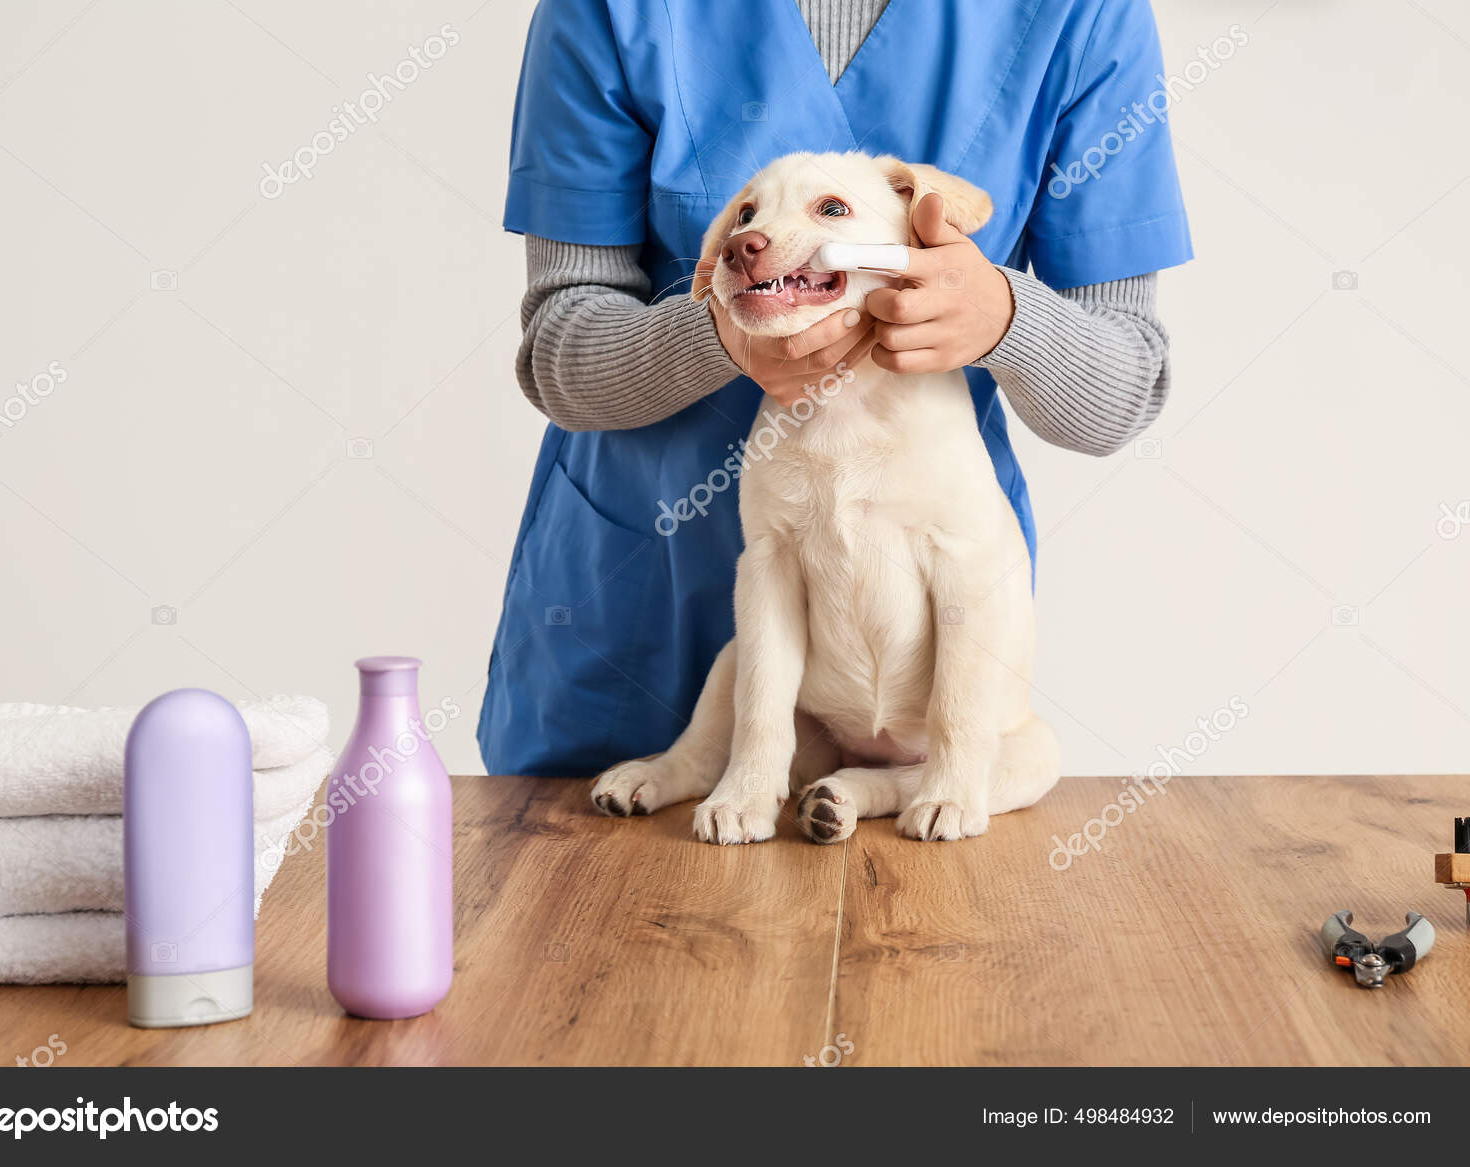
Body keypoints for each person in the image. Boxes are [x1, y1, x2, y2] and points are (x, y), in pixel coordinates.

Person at [478, 0, 1191, 777]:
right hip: (637, 610)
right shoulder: (613, 12)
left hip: (919, 642)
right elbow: (558, 350)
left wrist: (1004, 316)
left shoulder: (1082, 14)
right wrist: (721, 335)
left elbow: (1122, 388)